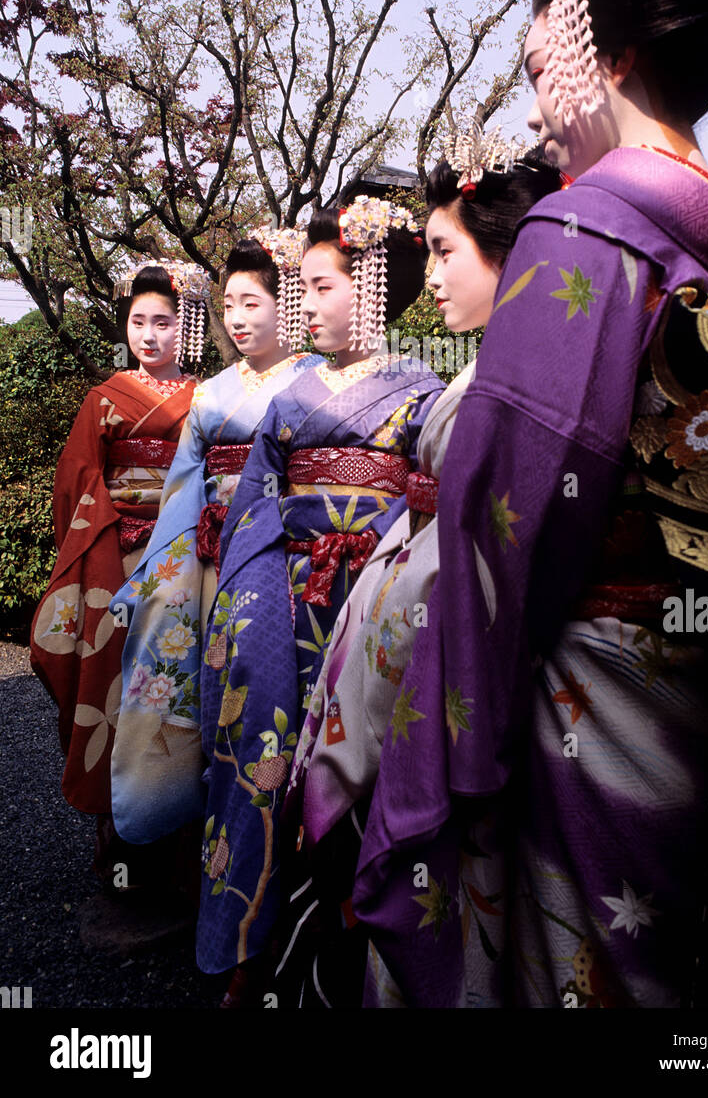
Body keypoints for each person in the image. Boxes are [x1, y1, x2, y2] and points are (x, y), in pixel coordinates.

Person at [353, 0, 708, 1008]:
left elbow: (502, 525)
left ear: (602, 61)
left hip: (590, 691)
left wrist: (435, 751)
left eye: (537, 73)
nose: (539, 114)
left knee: (569, 974)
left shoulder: (581, 231)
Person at [196, 197, 443, 993]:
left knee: (365, 773)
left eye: (322, 286)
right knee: (263, 762)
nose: (306, 305)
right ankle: (253, 942)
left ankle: (352, 960)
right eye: (299, 288)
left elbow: (430, 511)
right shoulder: (291, 400)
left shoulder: (422, 392)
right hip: (287, 598)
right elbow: (254, 510)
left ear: (369, 284)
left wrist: (380, 571)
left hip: (377, 602)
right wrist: (250, 606)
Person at [292, 137, 561, 854]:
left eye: (446, 252)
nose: (432, 277)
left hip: (439, 609)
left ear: (507, 250)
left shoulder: (505, 382)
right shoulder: (490, 370)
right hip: (332, 577)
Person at [108, 232, 318, 852]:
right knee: (195, 683)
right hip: (203, 559)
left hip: (275, 559)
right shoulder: (211, 391)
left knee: (265, 697)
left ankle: (268, 839)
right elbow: (183, 487)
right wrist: (154, 572)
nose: (238, 318)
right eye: (229, 304)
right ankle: (188, 833)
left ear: (285, 305)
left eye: (252, 303)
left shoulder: (311, 383)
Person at [30, 261, 206, 878]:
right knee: (116, 680)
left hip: (185, 552)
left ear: (187, 326)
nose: (150, 335)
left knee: (183, 681)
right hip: (117, 552)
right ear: (126, 325)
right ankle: (118, 835)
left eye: (164, 321)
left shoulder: (207, 396)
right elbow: (77, 481)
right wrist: (105, 541)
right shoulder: (103, 400)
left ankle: (180, 830)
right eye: (139, 322)